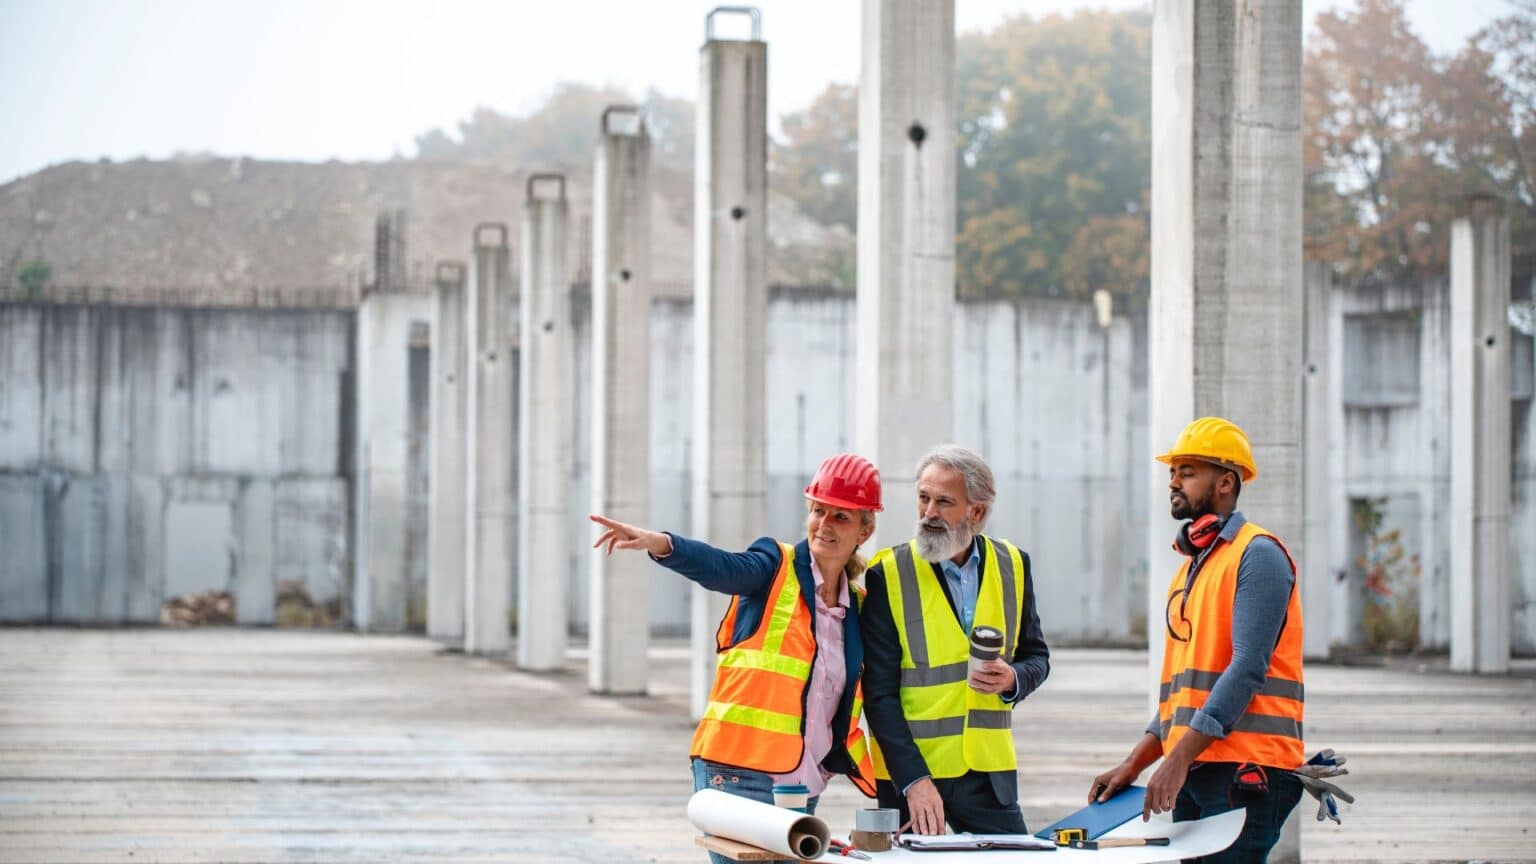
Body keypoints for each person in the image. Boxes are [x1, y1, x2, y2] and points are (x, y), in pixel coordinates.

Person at [589, 453, 882, 864]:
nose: (825, 525)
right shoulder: (774, 568)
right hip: (737, 773)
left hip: (802, 785)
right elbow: (724, 567)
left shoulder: (859, 608)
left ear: (864, 531)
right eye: (819, 511)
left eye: (841, 517)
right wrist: (663, 545)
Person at [1089, 417, 1305, 863]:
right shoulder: (1194, 567)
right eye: (1173, 472)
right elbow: (1181, 696)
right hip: (1201, 769)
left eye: (1187, 472)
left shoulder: (1258, 555)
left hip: (1247, 771)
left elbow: (1247, 669)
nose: (1173, 482)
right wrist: (1136, 764)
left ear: (1226, 482)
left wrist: (1178, 759)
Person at [860, 444, 1050, 835]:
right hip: (911, 778)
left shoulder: (1014, 565)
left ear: (976, 511)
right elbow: (878, 695)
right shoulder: (888, 573)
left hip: (988, 776)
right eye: (923, 498)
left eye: (944, 502)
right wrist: (913, 781)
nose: (928, 512)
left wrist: (1013, 680)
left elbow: (1036, 656)